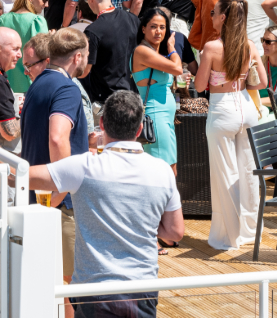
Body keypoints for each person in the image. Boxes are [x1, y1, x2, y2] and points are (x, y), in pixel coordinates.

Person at [29, 89, 183, 318]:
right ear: (139, 129)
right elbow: (175, 232)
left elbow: (21, 174)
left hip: (94, 289)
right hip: (142, 290)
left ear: (101, 123)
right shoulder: (162, 170)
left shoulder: (84, 166)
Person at [20, 27, 91, 302]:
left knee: (45, 279)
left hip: (39, 196)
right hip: (58, 203)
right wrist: (61, 191)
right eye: (85, 56)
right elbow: (57, 136)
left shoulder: (38, 83)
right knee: (73, 282)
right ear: (76, 57)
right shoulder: (67, 88)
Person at [196, 0, 267, 250]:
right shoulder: (249, 45)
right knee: (247, 171)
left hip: (222, 110)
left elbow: (198, 85)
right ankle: (249, 231)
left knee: (225, 173)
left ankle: (228, 236)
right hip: (246, 107)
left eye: (214, 12)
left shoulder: (212, 48)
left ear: (223, 17)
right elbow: (262, 83)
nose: (212, 16)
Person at [132, 7, 185, 174]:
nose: (158, 31)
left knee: (171, 167)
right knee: (166, 170)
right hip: (156, 116)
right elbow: (177, 68)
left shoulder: (155, 54)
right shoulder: (142, 51)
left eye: (162, 27)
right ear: (143, 28)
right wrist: (171, 47)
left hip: (165, 117)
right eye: (153, 26)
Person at [81, 0, 139, 102]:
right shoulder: (133, 19)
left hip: (106, 99)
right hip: (132, 93)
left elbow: (85, 70)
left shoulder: (93, 30)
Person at [0, 0, 51, 92]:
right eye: (44, 0)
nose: (46, 5)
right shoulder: (37, 21)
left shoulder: (2, 19)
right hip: (30, 85)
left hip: (4, 84)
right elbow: (44, 57)